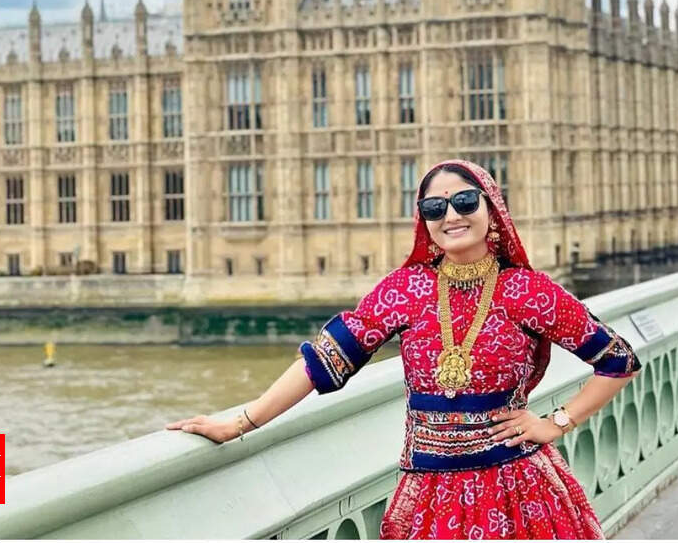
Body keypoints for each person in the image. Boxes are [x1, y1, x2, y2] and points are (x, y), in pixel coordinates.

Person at [166, 160, 641, 539]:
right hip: (429, 497)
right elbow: (323, 362)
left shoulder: (527, 291)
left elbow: (618, 361)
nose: (451, 216)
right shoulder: (406, 289)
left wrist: (556, 422)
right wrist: (239, 423)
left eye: (463, 201)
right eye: (435, 208)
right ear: (424, 221)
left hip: (516, 492)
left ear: (491, 208)